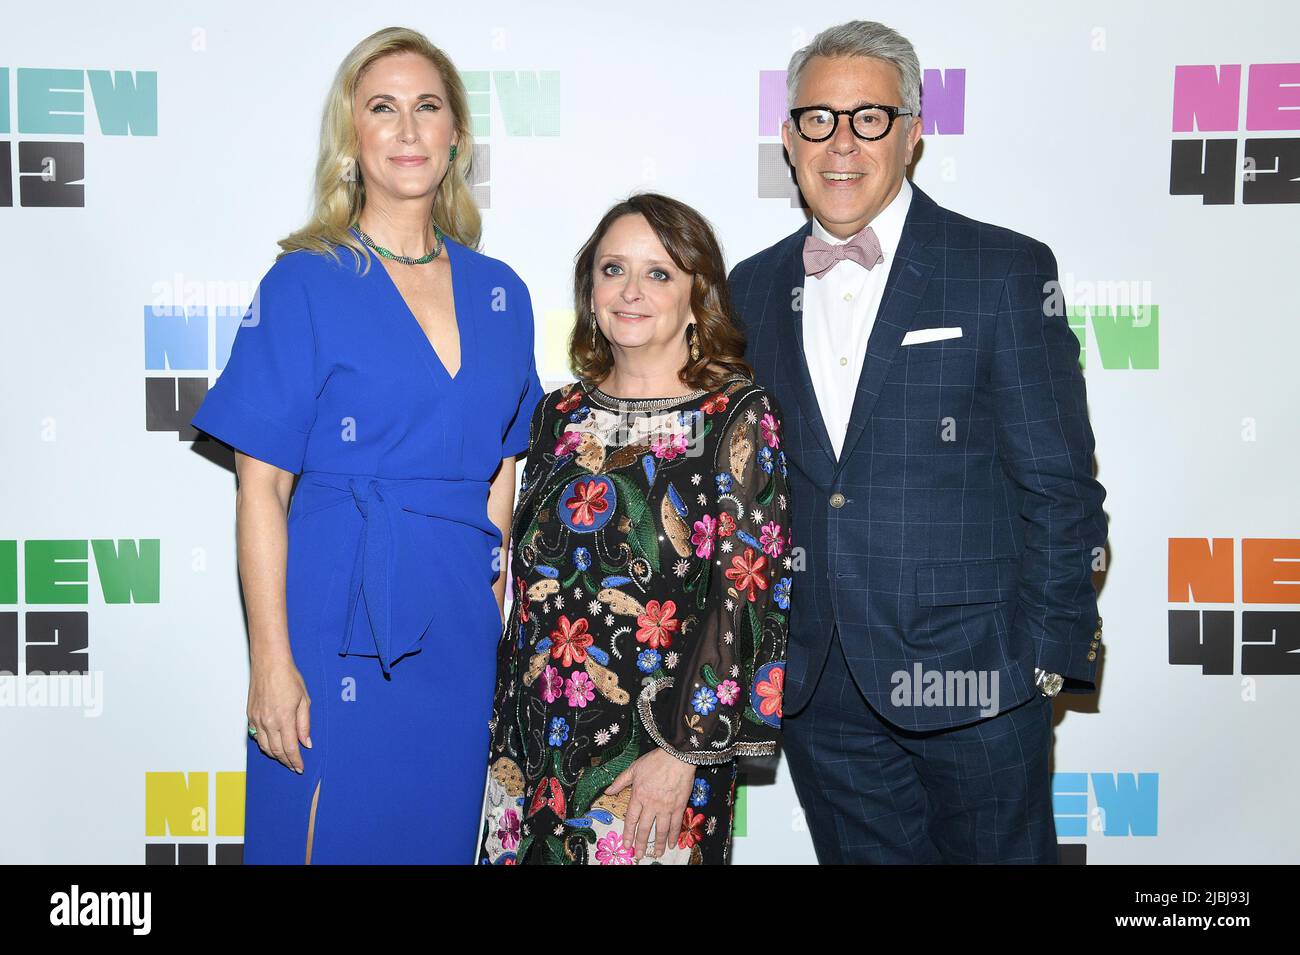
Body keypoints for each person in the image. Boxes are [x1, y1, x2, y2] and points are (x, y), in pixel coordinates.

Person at [729, 20, 1108, 863]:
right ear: (789, 139)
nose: (841, 142)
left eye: (869, 118)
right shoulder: (748, 290)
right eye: (818, 119)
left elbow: (1061, 487)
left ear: (912, 132)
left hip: (980, 680)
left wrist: (1044, 665)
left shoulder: (1001, 268)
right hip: (822, 690)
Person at [190, 27, 544, 864]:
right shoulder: (305, 280)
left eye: (428, 107)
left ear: (457, 132)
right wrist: (271, 660)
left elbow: (501, 479)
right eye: (382, 108)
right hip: (331, 613)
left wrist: (493, 631)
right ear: (352, 136)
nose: (408, 129)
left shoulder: (502, 293)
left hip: (458, 628)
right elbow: (261, 490)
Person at [478, 194, 792, 865]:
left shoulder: (736, 415)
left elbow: (746, 597)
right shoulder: (556, 415)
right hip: (528, 749)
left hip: (651, 760)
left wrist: (683, 752)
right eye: (613, 268)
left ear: (696, 296)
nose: (630, 290)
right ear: (590, 288)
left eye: (658, 273)